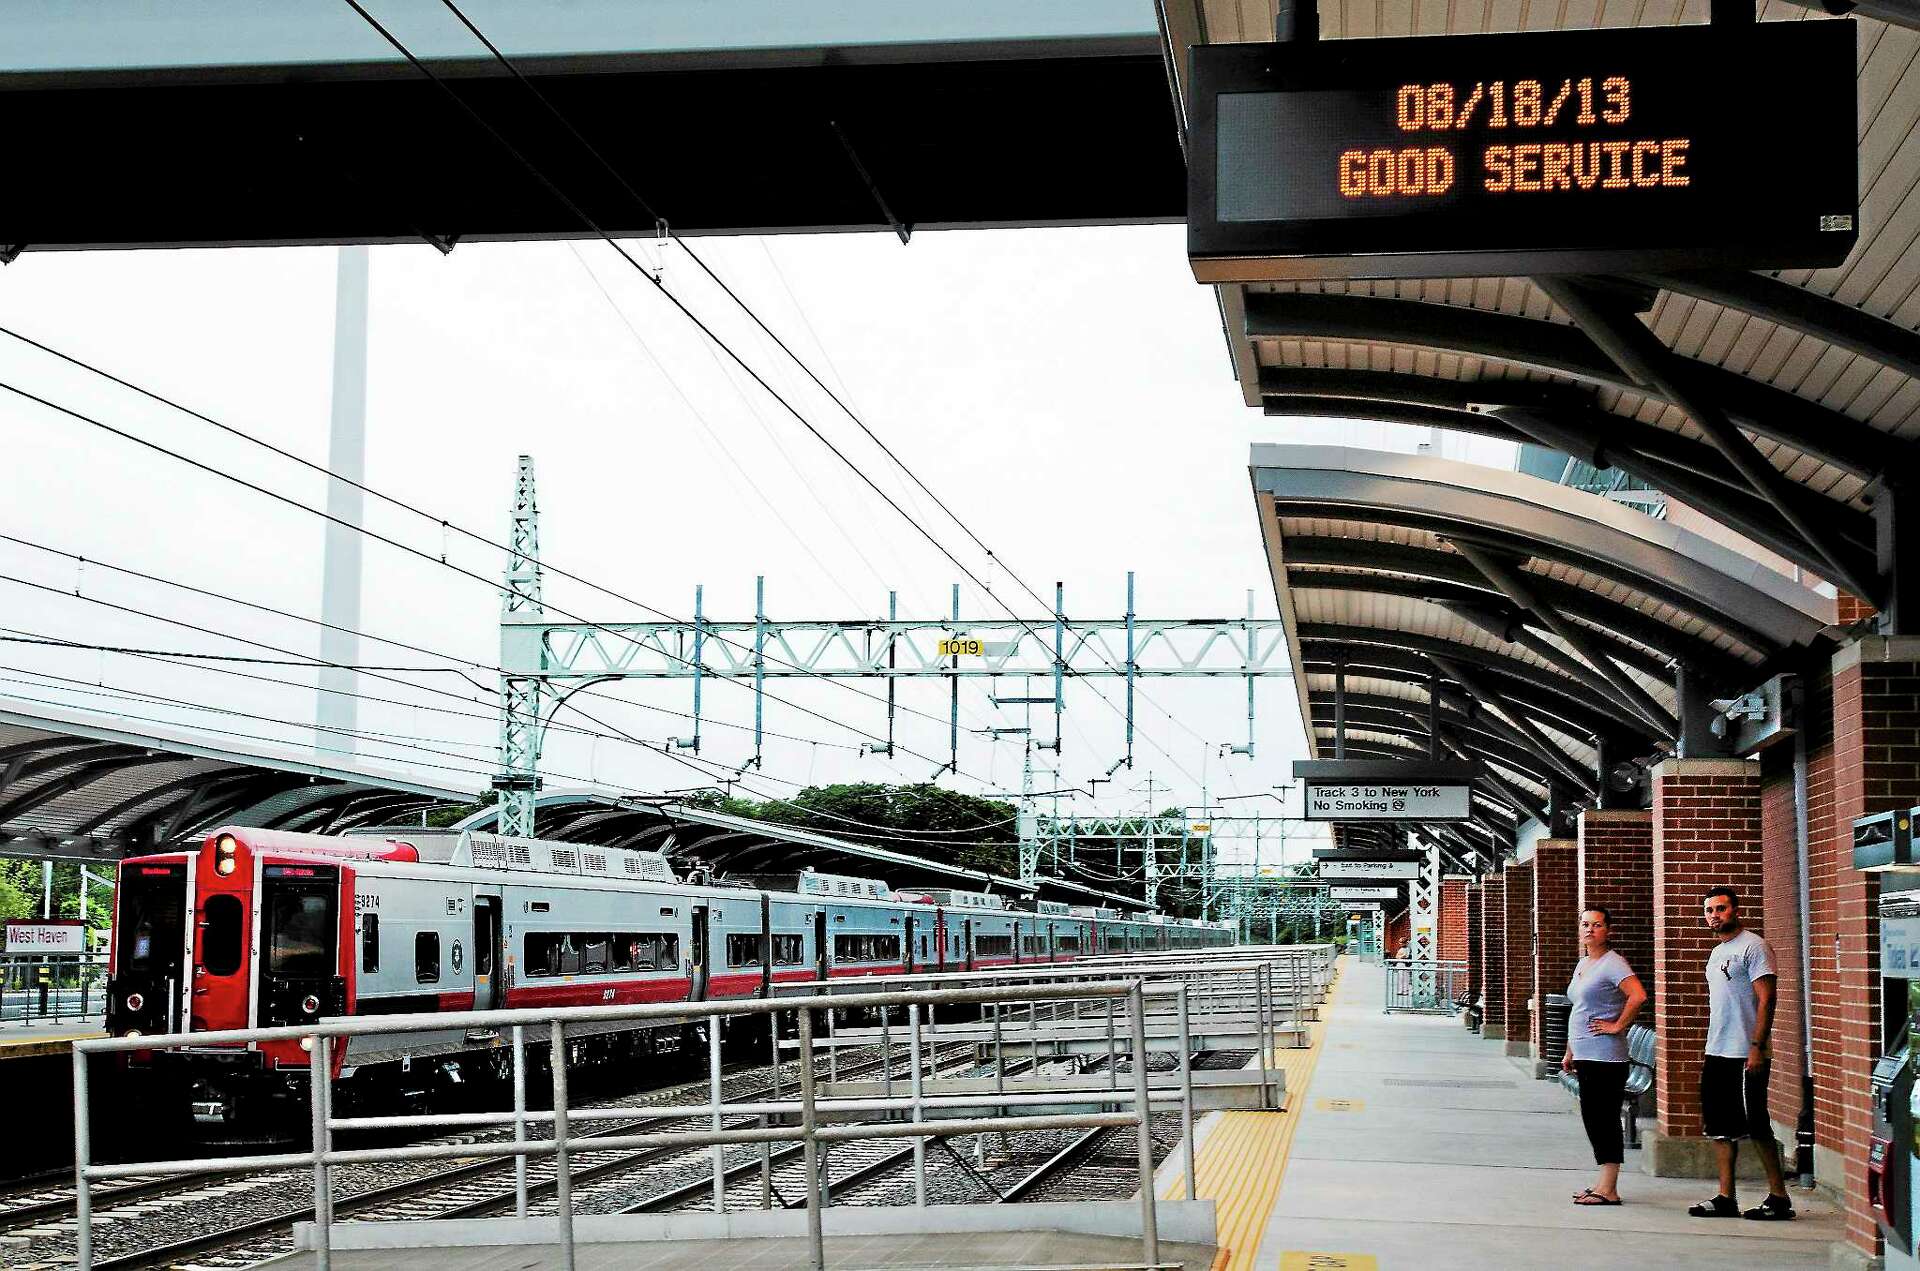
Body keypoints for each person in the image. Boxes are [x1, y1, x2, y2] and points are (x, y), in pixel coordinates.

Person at [1687, 886, 1795, 1221]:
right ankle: (1725, 1196)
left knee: (1756, 1123)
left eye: (1720, 908)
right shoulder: (1717, 952)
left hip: (1746, 1052)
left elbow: (1767, 999)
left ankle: (1779, 1197)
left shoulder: (1754, 946)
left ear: (1735, 910)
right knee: (1719, 1125)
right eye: (1709, 910)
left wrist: (1757, 1046)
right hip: (1717, 1049)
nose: (1714, 915)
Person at [1561, 905, 1647, 1205]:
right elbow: (1580, 1009)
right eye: (1585, 924)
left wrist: (1618, 1025)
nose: (1589, 929)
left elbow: (1638, 995)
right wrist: (1571, 1049)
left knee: (1604, 1119)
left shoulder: (1614, 963)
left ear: (1607, 930)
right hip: (1585, 1053)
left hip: (1605, 1056)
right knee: (1593, 1118)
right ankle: (1602, 1182)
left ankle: (1609, 1188)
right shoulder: (1583, 963)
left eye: (1596, 925)